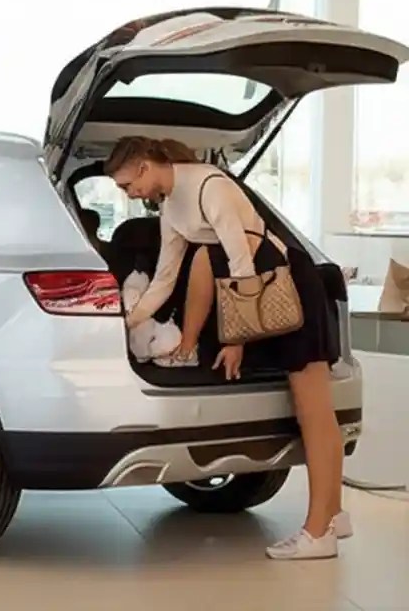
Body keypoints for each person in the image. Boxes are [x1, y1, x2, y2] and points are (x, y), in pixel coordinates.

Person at [105, 136, 350, 561]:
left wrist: (235, 339)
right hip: (256, 295)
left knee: (314, 409)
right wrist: (124, 322)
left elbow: (241, 261)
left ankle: (318, 533)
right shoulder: (172, 206)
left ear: (144, 166)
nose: (127, 194)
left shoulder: (209, 186)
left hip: (283, 285)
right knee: (310, 409)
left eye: (127, 185)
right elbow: (164, 278)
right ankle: (334, 514)